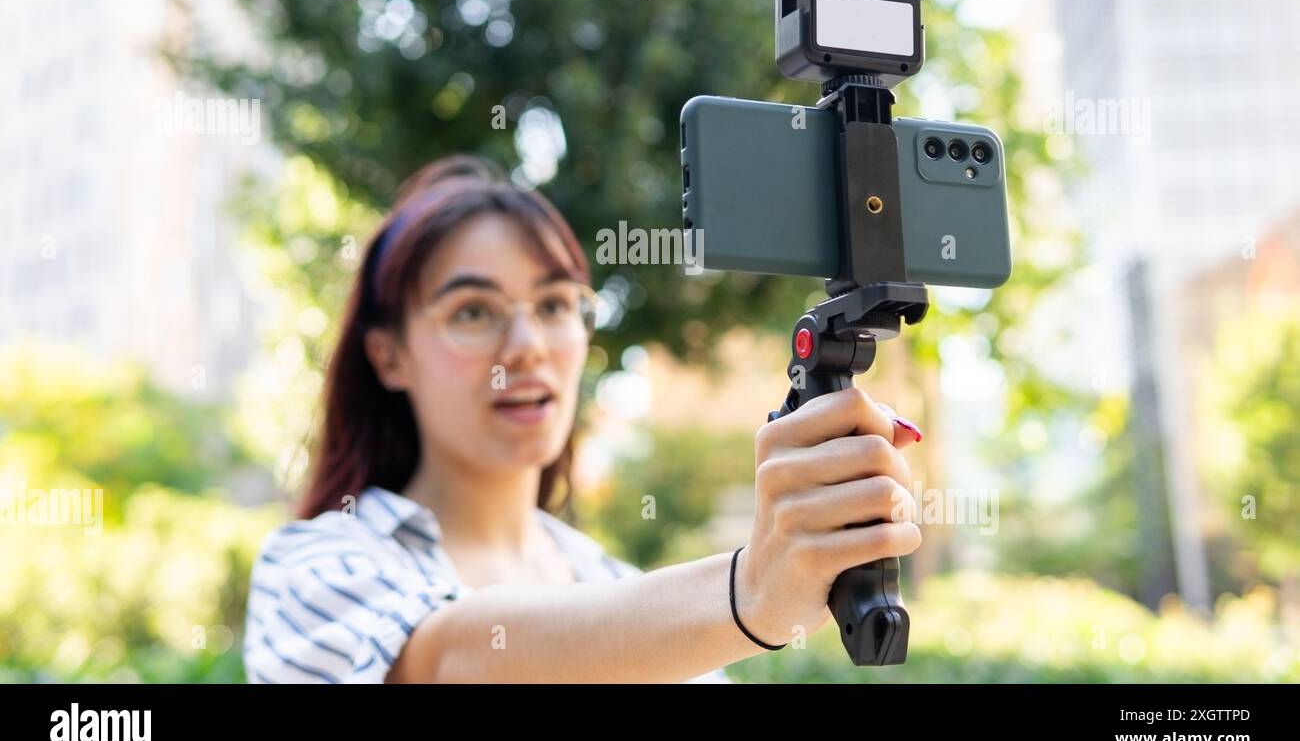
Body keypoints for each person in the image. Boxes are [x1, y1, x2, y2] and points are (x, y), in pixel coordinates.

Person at [243, 155, 923, 683]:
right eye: (473, 311)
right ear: (389, 356)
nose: (527, 348)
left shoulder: (611, 582)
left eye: (554, 305)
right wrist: (750, 592)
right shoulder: (317, 568)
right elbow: (450, 659)